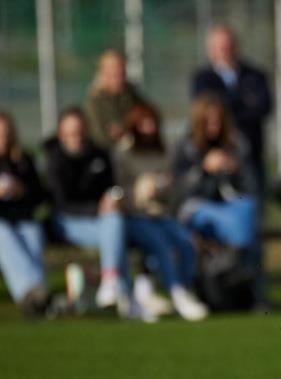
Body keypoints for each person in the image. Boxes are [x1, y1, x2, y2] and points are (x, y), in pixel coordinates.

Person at [43, 106, 152, 320]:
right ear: (62, 134)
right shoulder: (55, 160)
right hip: (67, 222)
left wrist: (114, 198)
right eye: (71, 132)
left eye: (79, 131)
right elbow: (62, 204)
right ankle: (124, 292)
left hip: (102, 221)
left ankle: (115, 285)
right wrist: (97, 208)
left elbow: (112, 187)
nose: (76, 136)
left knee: (116, 224)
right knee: (114, 230)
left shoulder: (100, 154)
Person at [115, 102, 209, 320]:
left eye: (152, 123)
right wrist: (140, 190)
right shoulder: (123, 154)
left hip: (161, 214)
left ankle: (185, 288)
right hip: (134, 217)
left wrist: (165, 186)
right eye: (144, 124)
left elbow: (175, 189)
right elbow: (118, 190)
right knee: (161, 244)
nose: (149, 128)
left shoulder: (164, 153)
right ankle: (176, 292)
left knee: (186, 241)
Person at [172, 93, 262, 309]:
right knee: (231, 223)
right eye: (209, 121)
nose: (215, 126)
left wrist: (234, 170)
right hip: (195, 208)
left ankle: (248, 281)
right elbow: (179, 191)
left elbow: (249, 189)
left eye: (219, 121)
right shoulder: (185, 147)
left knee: (248, 209)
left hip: (229, 208)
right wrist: (203, 169)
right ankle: (236, 269)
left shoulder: (236, 145)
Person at [0, 109, 49, 317]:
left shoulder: (23, 160)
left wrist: (23, 191)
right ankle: (35, 291)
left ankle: (34, 301)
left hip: (20, 217)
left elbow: (41, 196)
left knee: (33, 233)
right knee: (2, 233)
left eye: (5, 134)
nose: (1, 140)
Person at [191, 24, 272, 192]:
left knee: (253, 197)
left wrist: (226, 107)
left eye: (228, 46)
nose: (224, 51)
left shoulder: (255, 75)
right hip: (215, 154)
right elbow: (204, 109)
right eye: (220, 47)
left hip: (251, 152)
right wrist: (242, 103)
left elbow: (263, 108)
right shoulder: (202, 78)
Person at [84, 49, 150, 150]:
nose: (119, 76)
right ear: (102, 73)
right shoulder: (94, 102)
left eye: (121, 71)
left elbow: (149, 118)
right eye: (113, 71)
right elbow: (100, 138)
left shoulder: (132, 94)